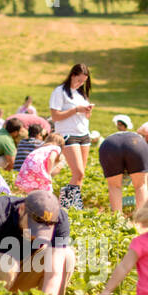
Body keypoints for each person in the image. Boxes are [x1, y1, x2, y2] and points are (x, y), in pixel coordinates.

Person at [49, 63, 94, 210]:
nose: (81, 84)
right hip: (68, 134)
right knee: (78, 172)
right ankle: (65, 205)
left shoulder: (81, 94)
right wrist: (75, 110)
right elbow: (55, 116)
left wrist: (87, 111)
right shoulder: (60, 91)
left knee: (81, 175)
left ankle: (75, 206)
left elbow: (85, 117)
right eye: (79, 80)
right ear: (72, 75)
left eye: (83, 81)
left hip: (84, 134)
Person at [97, 129, 148, 216]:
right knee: (140, 186)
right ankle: (142, 219)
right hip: (136, 143)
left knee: (114, 186)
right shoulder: (140, 141)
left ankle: (118, 219)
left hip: (110, 144)